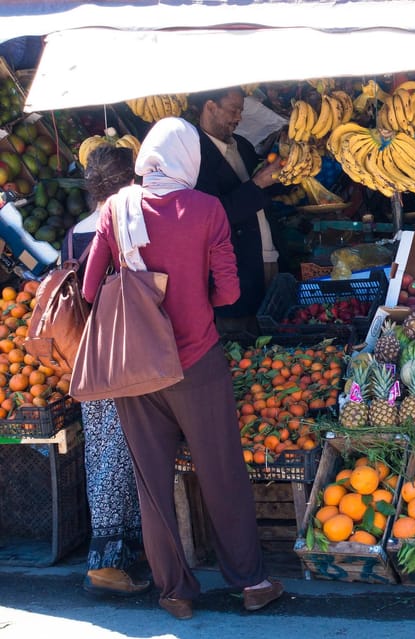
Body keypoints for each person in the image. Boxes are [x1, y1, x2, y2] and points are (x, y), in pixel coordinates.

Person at [81, 117, 284, 620]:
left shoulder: (116, 208)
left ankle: (174, 591)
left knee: (152, 486)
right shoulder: (206, 208)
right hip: (196, 362)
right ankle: (251, 582)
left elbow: (88, 288)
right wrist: (193, 299)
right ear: (188, 160)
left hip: (136, 368)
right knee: (222, 473)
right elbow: (229, 293)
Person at [68, 145, 149, 597]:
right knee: (120, 452)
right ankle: (105, 561)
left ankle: (126, 550)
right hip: (125, 352)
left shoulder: (73, 234)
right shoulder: (124, 225)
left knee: (102, 449)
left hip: (87, 354)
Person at [191, 87, 284, 334]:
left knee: (277, 337)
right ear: (211, 107)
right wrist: (258, 183)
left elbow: (264, 193)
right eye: (233, 110)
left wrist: (282, 173)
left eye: (241, 111)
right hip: (236, 274)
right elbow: (213, 216)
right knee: (243, 341)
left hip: (268, 259)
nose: (239, 118)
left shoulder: (241, 145)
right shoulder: (195, 156)